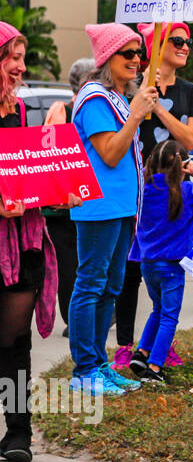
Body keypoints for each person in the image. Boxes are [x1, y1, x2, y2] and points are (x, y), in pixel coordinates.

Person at [68, 24, 159, 397]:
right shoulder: (93, 98)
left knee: (110, 286)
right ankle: (84, 368)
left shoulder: (115, 96)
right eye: (129, 54)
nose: (137, 61)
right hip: (98, 206)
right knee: (91, 284)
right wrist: (136, 114)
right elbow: (109, 153)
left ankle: (99, 365)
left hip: (120, 208)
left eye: (140, 54)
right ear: (107, 58)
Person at [113, 22, 193, 371]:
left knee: (165, 266)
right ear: (158, 44)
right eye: (177, 40)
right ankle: (125, 346)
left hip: (174, 189)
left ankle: (160, 345)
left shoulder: (189, 91)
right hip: (138, 187)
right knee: (133, 268)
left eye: (187, 42)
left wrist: (160, 108)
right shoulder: (133, 86)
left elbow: (191, 140)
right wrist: (141, 101)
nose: (185, 46)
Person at [0, 23, 65, 462]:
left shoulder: (21, 115)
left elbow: (38, 180)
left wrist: (55, 141)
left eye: (23, 59)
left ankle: (19, 433)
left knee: (14, 340)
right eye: (12, 58)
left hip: (20, 244)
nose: (21, 68)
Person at [125, 141, 193, 384]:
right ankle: (155, 367)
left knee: (158, 309)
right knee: (169, 316)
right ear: (182, 165)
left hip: (147, 262)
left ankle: (142, 353)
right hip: (172, 266)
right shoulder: (187, 191)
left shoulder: (143, 189)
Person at [42, 57, 95, 331]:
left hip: (77, 200)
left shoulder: (68, 109)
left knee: (75, 264)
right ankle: (72, 320)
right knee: (70, 265)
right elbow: (55, 156)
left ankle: (78, 318)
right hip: (65, 203)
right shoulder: (65, 110)